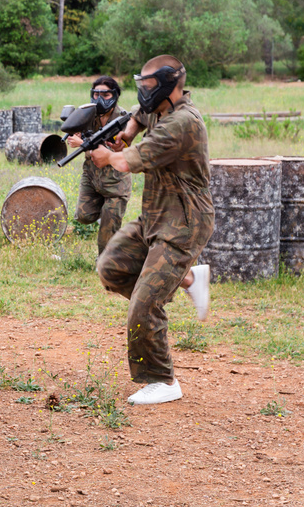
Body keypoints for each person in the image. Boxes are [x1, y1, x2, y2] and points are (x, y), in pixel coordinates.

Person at [87, 55, 212, 406]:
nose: (143, 93)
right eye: (141, 85)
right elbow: (138, 116)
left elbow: (126, 162)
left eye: (149, 86)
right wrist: (125, 133)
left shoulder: (183, 123)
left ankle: (162, 380)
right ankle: (190, 279)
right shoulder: (158, 108)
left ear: (170, 86)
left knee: (143, 306)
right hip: (156, 215)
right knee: (110, 267)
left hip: (184, 222)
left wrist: (107, 154)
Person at [64, 76, 133, 256]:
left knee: (107, 233)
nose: (100, 99)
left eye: (105, 94)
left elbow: (115, 152)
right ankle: (107, 213)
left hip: (115, 183)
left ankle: (105, 263)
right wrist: (76, 133)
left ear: (115, 95)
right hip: (92, 177)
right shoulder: (88, 114)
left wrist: (82, 144)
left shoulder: (123, 119)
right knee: (83, 216)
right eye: (96, 94)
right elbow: (76, 132)